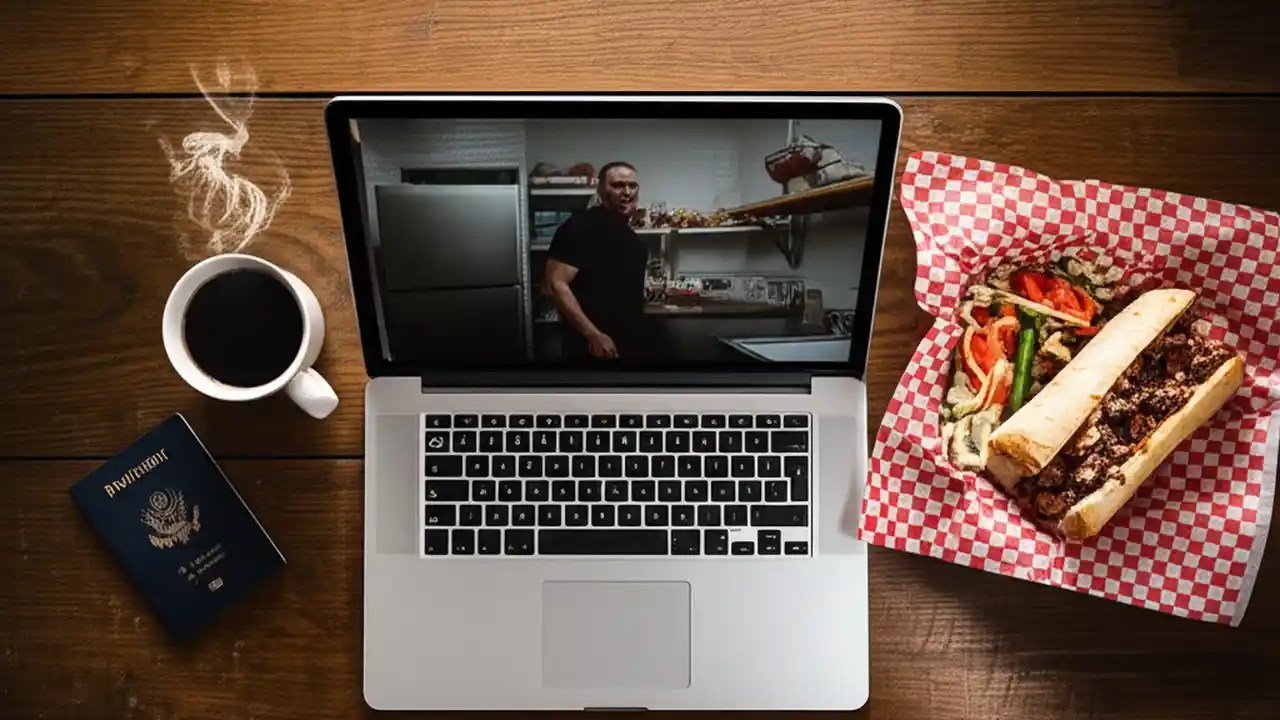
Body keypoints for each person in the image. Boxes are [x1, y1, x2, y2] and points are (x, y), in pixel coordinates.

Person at [542, 161, 650, 361]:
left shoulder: (632, 240)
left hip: (627, 345)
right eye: (617, 185)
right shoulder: (579, 228)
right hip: (590, 348)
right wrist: (593, 334)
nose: (627, 192)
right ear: (600, 190)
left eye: (632, 186)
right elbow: (555, 285)